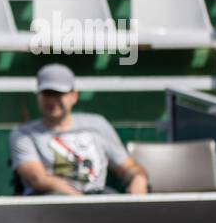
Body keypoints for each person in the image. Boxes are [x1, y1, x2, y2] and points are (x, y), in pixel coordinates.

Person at [11, 63, 149, 196]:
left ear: (74, 96)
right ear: (38, 96)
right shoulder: (23, 135)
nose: (52, 100)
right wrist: (82, 203)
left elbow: (127, 167)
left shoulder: (98, 124)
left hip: (97, 197)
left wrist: (138, 178)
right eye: (47, 93)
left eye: (59, 94)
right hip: (49, 206)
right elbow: (38, 180)